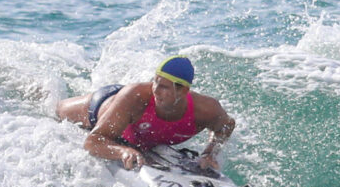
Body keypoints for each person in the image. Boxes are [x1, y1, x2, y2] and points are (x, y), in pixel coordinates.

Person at [53, 55, 238, 171]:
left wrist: (210, 153)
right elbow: (92, 142)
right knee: (55, 109)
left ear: (182, 91)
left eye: (164, 87)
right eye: (155, 82)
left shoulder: (206, 109)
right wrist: (122, 152)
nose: (155, 90)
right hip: (99, 107)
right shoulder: (137, 97)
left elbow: (227, 125)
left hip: (133, 124)